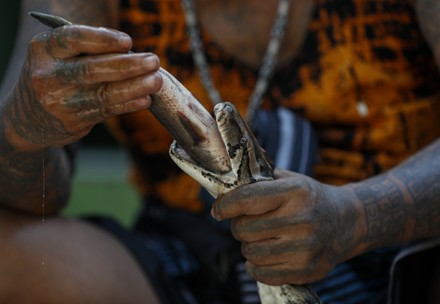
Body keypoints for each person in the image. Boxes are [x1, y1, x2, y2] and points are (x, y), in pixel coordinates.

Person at [0, 0, 439, 303]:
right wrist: (22, 127)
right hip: (187, 255)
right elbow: (40, 191)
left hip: (404, 257)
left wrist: (353, 217)